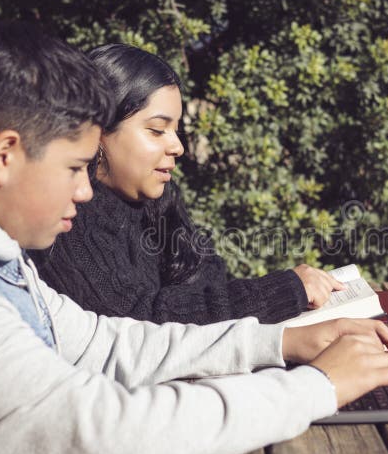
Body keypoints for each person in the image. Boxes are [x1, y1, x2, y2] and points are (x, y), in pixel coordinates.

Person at [0, 22, 388, 454]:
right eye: (74, 167)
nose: (85, 190)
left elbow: (102, 344)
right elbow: (109, 433)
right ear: (3, 156)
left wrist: (279, 340)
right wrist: (317, 388)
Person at [30, 43, 342, 325]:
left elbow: (207, 283)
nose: (177, 147)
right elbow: (137, 323)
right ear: (97, 132)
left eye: (176, 130)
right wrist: (282, 290)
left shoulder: (157, 202)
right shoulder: (66, 221)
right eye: (156, 130)